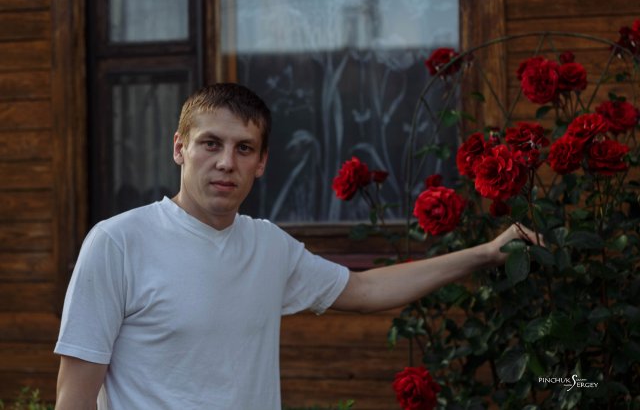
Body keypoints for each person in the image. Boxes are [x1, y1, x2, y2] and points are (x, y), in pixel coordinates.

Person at [54, 83, 537, 409]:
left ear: (261, 163)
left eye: (243, 148)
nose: (226, 162)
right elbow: (74, 399)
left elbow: (365, 290)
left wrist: (484, 254)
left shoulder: (268, 245)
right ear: (180, 147)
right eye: (210, 144)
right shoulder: (118, 243)